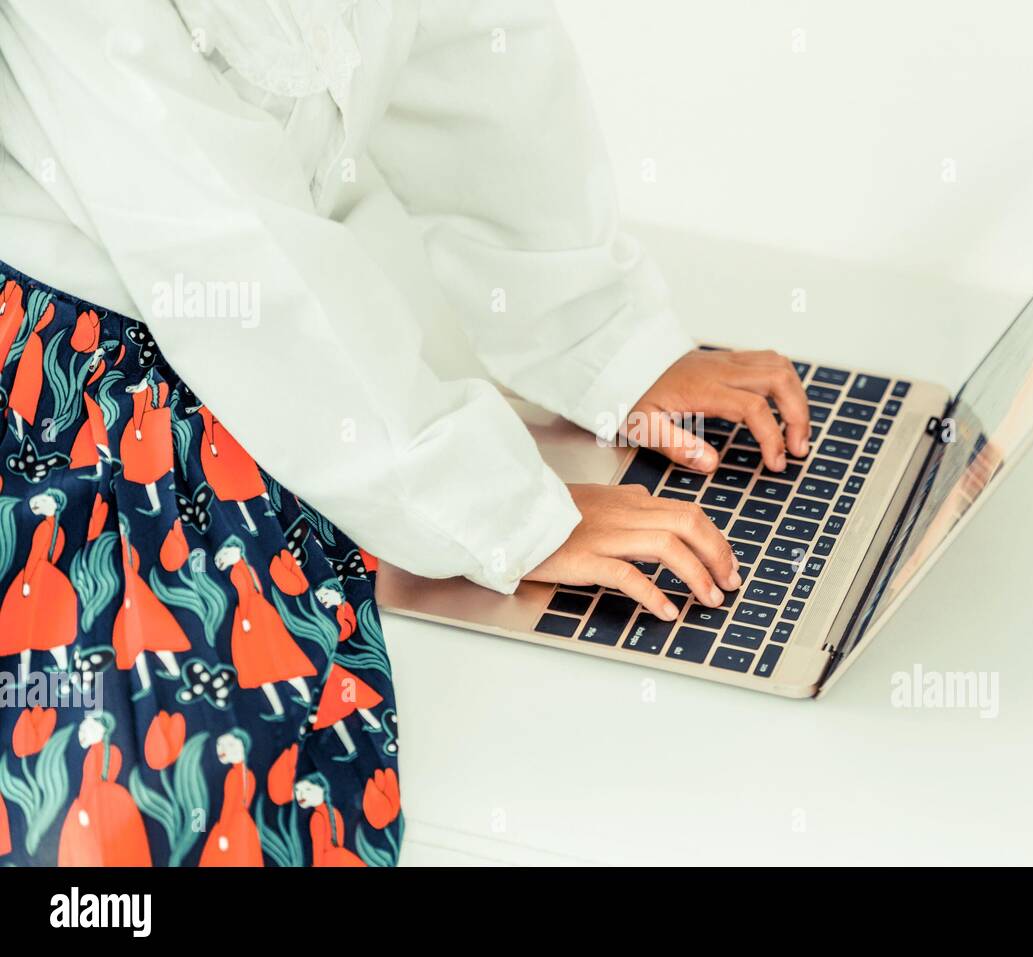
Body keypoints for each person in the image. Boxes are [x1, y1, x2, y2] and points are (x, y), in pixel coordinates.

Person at [0, 0, 809, 866]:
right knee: (137, 807)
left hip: (302, 328)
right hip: (75, 368)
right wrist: (498, 508)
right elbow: (212, 234)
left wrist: (601, 338)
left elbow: (478, 47)